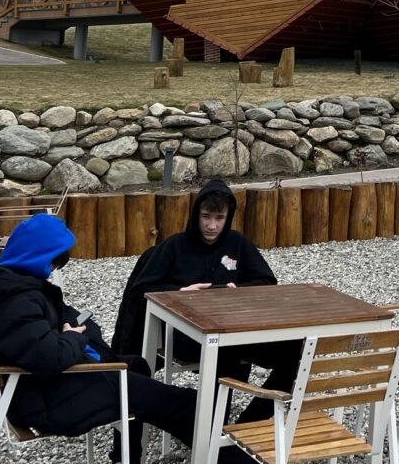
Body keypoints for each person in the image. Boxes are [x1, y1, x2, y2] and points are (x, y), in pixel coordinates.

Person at [0, 212, 309, 464]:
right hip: (48, 400)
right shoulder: (20, 299)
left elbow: (59, 330)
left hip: (50, 386)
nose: (57, 268)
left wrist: (72, 331)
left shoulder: (8, 282)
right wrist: (74, 338)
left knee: (136, 365)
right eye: (55, 260)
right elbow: (47, 355)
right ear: (39, 256)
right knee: (186, 405)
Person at [113, 179, 301, 423]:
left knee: (297, 348)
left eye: (219, 218)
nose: (212, 226)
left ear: (228, 217)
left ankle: (247, 425)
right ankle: (210, 429)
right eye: (206, 217)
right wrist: (181, 292)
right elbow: (142, 290)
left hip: (235, 332)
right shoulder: (174, 246)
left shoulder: (237, 243)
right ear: (196, 215)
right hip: (184, 335)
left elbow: (266, 281)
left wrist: (239, 290)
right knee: (224, 351)